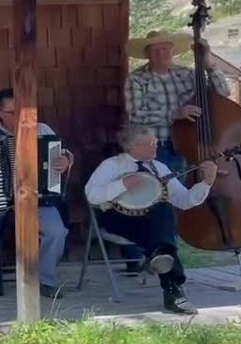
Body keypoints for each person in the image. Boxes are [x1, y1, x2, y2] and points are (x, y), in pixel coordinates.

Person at [120, 30, 230, 269]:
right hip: (151, 148)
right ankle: (138, 257)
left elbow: (223, 93)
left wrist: (208, 61)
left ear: (173, 51)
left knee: (174, 200)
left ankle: (167, 254)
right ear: (148, 54)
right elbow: (136, 113)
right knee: (145, 200)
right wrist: (175, 114)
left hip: (186, 147)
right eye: (155, 50)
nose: (162, 54)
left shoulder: (187, 75)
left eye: (166, 49)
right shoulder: (137, 79)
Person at [84, 125, 218, 314]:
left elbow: (183, 200)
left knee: (162, 211)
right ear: (133, 146)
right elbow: (92, 195)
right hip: (117, 219)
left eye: (156, 142)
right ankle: (171, 286)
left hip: (151, 223)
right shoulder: (112, 165)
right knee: (162, 228)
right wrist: (122, 184)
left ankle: (160, 260)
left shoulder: (159, 168)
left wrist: (206, 182)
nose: (157, 147)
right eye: (151, 143)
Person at [0, 88, 74, 300]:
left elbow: (64, 154)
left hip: (37, 198)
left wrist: (66, 160)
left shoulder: (42, 129)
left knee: (57, 231)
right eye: (13, 112)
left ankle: (45, 281)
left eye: (23, 110)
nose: (20, 116)